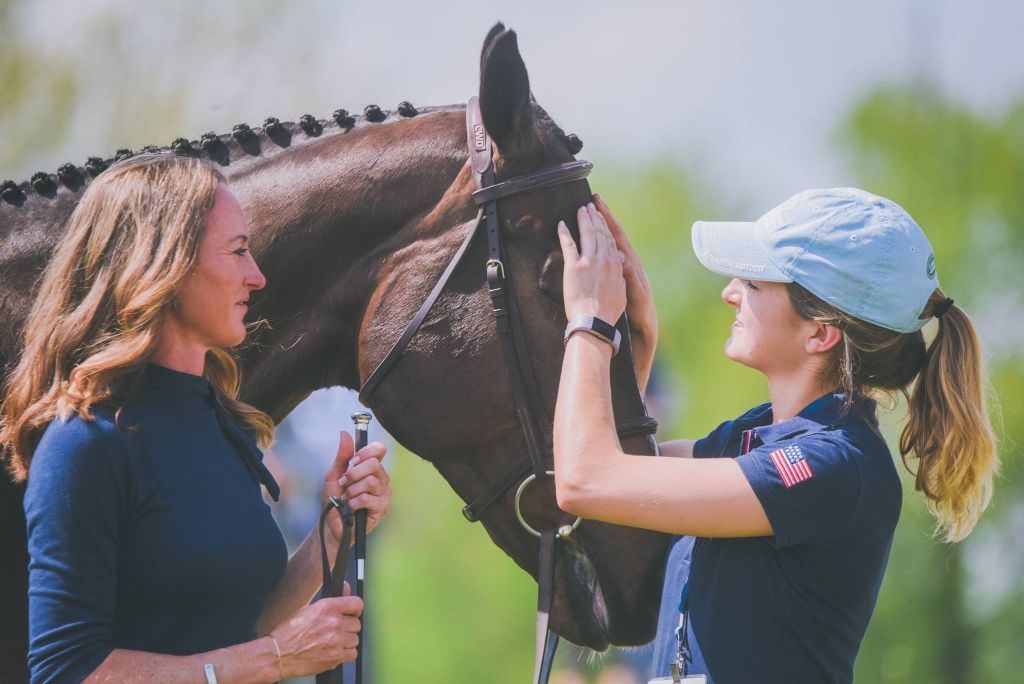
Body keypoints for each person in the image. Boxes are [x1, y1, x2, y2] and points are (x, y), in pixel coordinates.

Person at [552, 189, 998, 683]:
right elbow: (620, 466)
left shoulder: (834, 464)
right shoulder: (755, 437)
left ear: (820, 334)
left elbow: (586, 480)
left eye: (753, 283)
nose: (730, 292)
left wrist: (590, 321)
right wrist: (638, 336)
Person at [0, 154, 392, 683]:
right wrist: (277, 657)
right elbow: (67, 671)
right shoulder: (86, 442)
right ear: (167, 267)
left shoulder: (220, 422)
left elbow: (230, 630)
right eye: (238, 251)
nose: (257, 277)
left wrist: (331, 532)